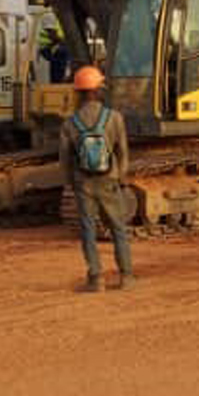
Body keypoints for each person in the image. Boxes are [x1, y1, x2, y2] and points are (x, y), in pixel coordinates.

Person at [60, 65, 133, 292]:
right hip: (109, 180)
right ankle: (126, 277)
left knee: (88, 229)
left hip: (84, 182)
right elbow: (123, 152)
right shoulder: (114, 118)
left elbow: (64, 159)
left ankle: (96, 278)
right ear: (99, 90)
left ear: (78, 93)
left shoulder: (69, 123)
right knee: (118, 228)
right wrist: (120, 178)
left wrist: (72, 183)